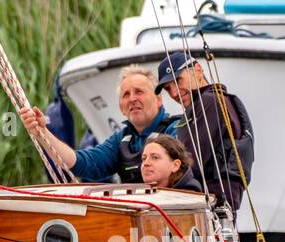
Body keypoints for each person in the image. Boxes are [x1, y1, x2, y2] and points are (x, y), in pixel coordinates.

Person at [18, 64, 180, 183]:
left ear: (158, 99)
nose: (132, 99)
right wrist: (41, 132)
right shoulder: (121, 141)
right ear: (121, 107)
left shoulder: (177, 130)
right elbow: (81, 162)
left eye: (139, 92)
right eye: (126, 95)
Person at [155, 50, 254, 212]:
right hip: (218, 208)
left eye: (178, 80)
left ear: (198, 70)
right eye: (168, 88)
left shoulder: (209, 101)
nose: (174, 93)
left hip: (209, 209)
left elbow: (190, 161)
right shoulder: (219, 101)